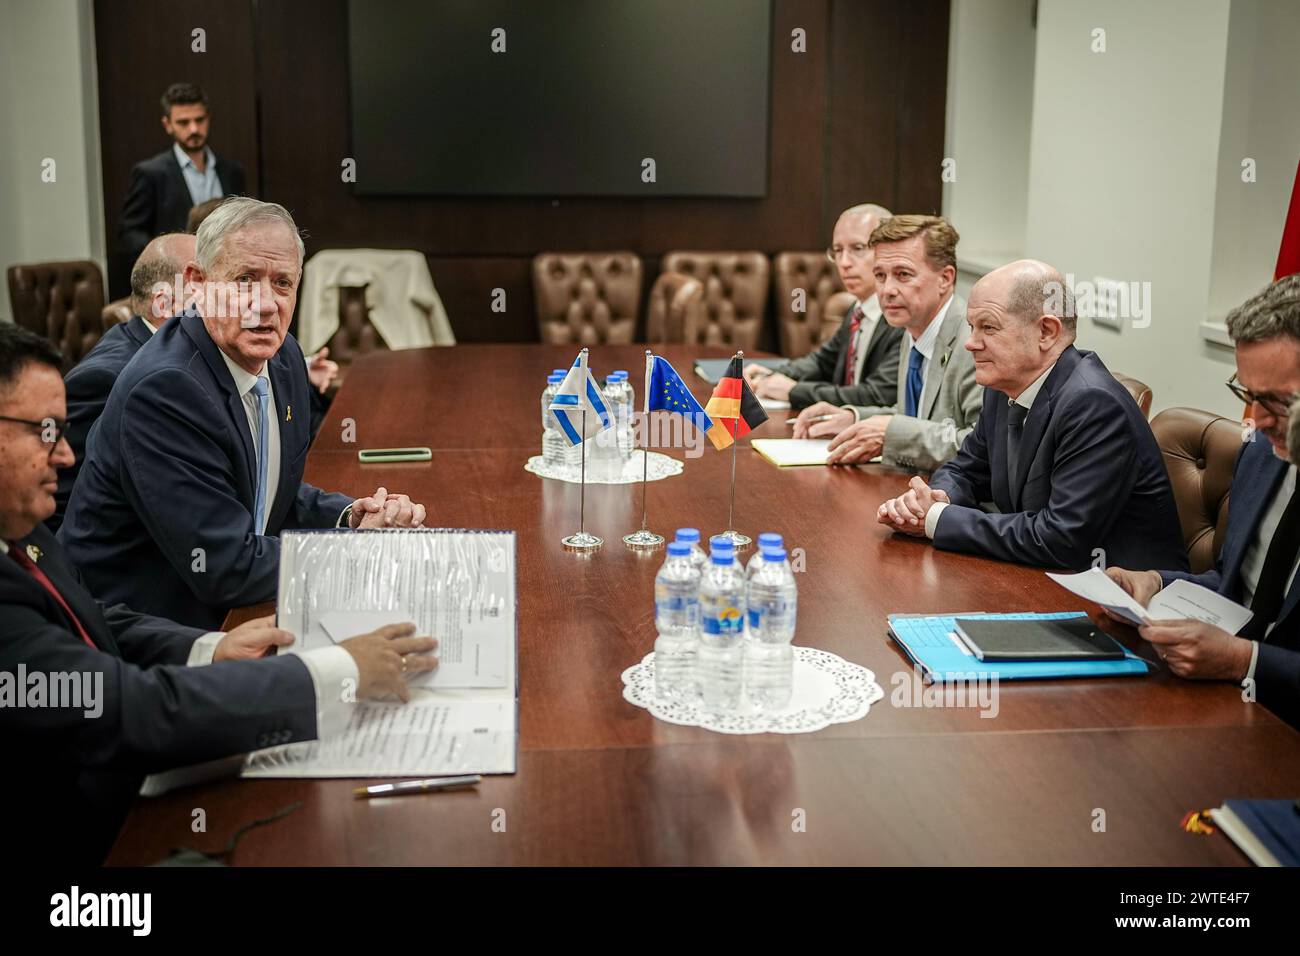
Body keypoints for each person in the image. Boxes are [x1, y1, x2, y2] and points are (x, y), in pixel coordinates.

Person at [0, 322, 438, 864]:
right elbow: (129, 715)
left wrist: (205, 649)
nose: (66, 456)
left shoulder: (24, 531)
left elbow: (91, 620)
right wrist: (339, 672)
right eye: (45, 432)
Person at [61, 198, 426, 629]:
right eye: (245, 280)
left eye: (283, 283)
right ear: (197, 284)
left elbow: (264, 494)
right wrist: (352, 551)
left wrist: (349, 518)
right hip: (143, 633)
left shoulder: (284, 357)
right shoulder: (164, 390)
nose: (267, 304)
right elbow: (225, 566)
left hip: (231, 606)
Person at [876, 259, 1187, 572]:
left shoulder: (1094, 405)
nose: (971, 343)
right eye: (972, 327)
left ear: (1046, 332)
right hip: (1040, 576)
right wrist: (934, 499)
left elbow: (1061, 538)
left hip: (1122, 596)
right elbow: (966, 469)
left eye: (988, 327)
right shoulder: (1002, 386)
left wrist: (938, 519)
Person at [1104, 275, 1300, 726]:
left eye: (1277, 401)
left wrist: (1244, 661)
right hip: (1215, 703)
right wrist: (1156, 582)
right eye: (1248, 394)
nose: (1257, 418)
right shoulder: (1261, 454)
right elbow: (1239, 589)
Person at [792, 214, 982, 470]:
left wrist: (890, 435)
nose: (887, 290)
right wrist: (853, 417)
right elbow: (916, 417)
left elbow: (978, 446)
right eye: (880, 276)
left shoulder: (973, 342)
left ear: (945, 278)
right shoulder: (911, 328)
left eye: (903, 275)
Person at [49, 233, 197, 532]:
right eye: (207, 288)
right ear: (165, 304)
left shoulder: (173, 354)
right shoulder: (107, 379)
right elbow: (60, 507)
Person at [744, 204, 903, 410]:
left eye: (858, 248)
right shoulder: (858, 309)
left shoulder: (900, 316)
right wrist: (774, 374)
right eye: (838, 251)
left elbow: (876, 395)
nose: (844, 262)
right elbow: (822, 362)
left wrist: (793, 391)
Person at [120, 83, 246, 270]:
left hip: (227, 274)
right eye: (184, 122)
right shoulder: (150, 173)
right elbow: (131, 234)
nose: (194, 129)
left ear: (208, 119)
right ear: (168, 125)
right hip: (176, 278)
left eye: (199, 120)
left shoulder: (232, 171)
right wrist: (165, 262)